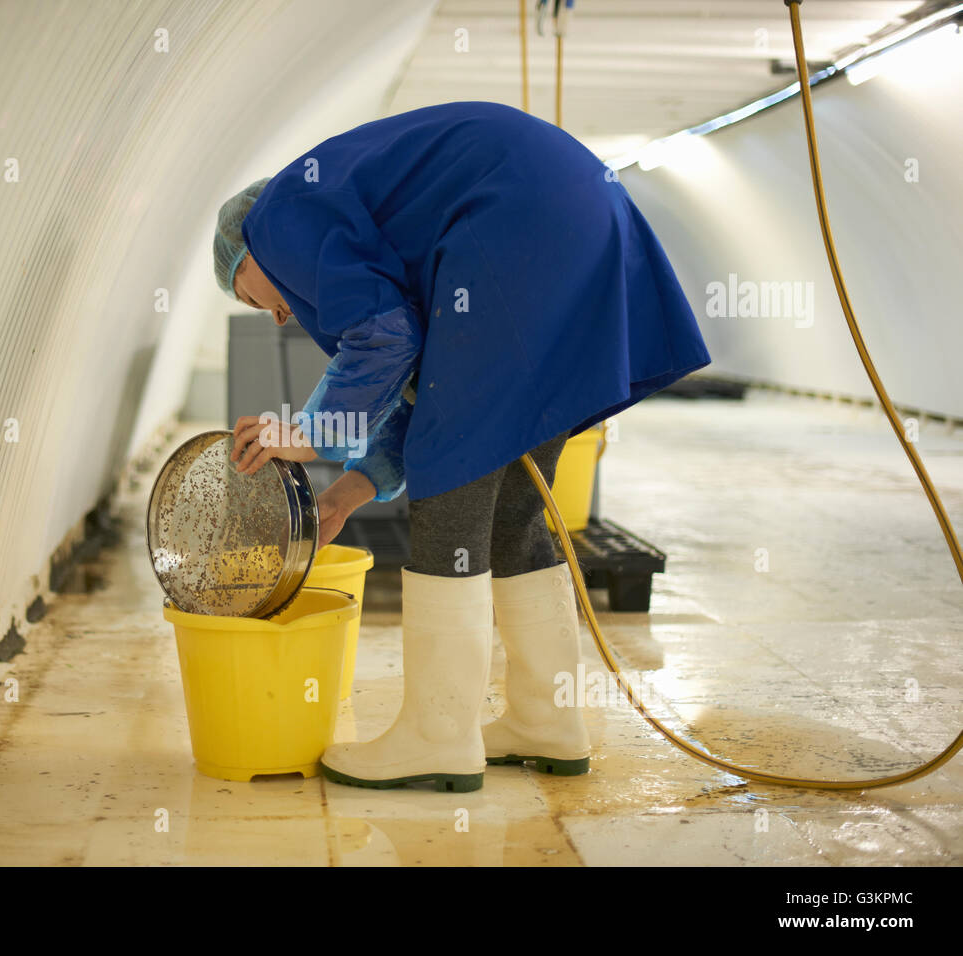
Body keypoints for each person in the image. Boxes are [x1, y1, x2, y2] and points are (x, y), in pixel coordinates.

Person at [215, 101, 711, 792]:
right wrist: (346, 493)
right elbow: (420, 385)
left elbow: (386, 339)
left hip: (518, 236)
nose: (276, 313)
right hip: (571, 225)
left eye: (250, 295)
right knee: (512, 507)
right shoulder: (351, 215)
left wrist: (309, 432)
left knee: (451, 488)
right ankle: (547, 720)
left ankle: (437, 735)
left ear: (247, 254)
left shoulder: (276, 218)